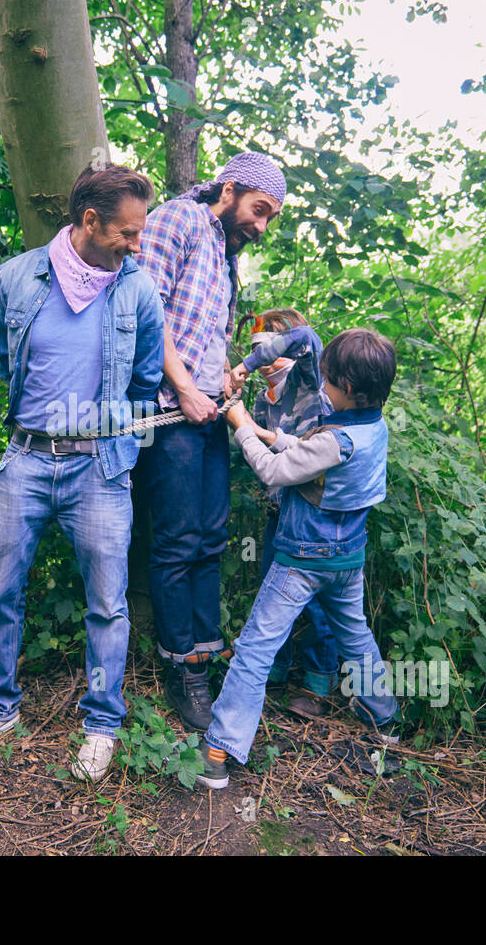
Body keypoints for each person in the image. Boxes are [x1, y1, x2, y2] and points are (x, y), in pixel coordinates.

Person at [0, 163, 165, 783]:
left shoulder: (137, 289)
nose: (136, 242)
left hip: (100, 466)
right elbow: (1, 348)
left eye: (140, 230)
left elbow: (147, 377)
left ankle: (101, 723)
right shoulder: (18, 277)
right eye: (127, 231)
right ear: (89, 221)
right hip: (25, 460)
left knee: (106, 602)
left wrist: (120, 429)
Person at [193, 328, 403, 789]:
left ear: (347, 389)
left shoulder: (338, 438)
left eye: (328, 382)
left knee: (254, 649)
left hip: (302, 561)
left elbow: (274, 470)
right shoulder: (372, 427)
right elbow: (314, 453)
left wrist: (241, 423)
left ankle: (218, 752)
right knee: (356, 636)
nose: (322, 388)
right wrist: (272, 432)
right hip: (348, 560)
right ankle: (386, 723)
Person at [134, 152, 286, 732]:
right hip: (169, 414)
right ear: (229, 188)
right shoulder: (177, 219)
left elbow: (205, 332)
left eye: (271, 217)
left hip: (208, 411)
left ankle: (204, 649)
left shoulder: (227, 255)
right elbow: (148, 316)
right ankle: (183, 670)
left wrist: (221, 376)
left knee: (209, 537)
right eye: (259, 210)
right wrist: (182, 385)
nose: (262, 226)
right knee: (175, 543)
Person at [240, 309, 339, 709]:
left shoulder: (308, 381)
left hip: (313, 513)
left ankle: (318, 681)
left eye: (270, 347)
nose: (263, 356)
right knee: (270, 592)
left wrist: (246, 364)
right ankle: (274, 668)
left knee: (314, 599)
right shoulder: (263, 401)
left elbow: (310, 338)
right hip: (278, 512)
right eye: (254, 348)